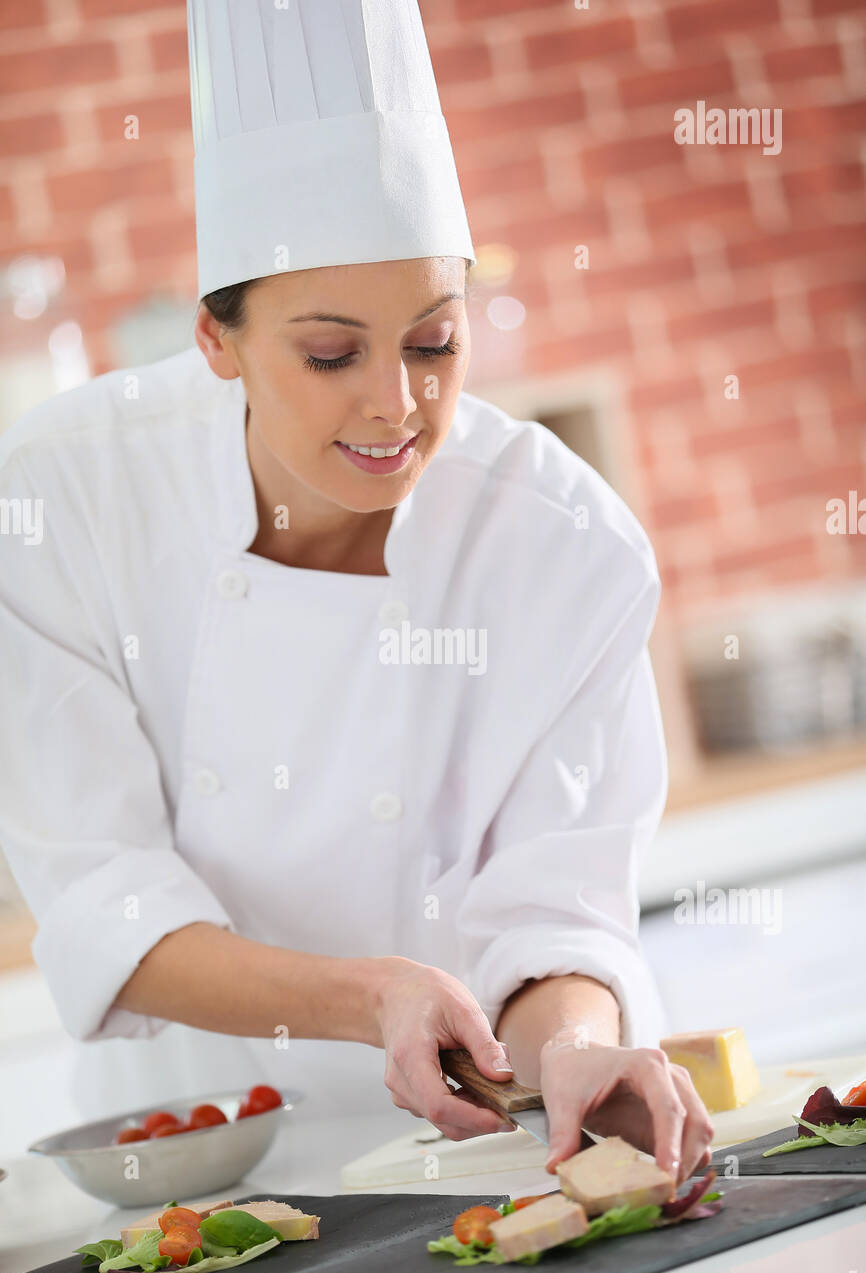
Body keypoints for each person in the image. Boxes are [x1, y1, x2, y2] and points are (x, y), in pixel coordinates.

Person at [0, 0, 712, 1181]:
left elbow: (554, 912)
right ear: (216, 342)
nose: (395, 404)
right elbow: (101, 897)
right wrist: (370, 993)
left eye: (434, 343)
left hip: (485, 1156)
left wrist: (576, 1049)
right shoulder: (61, 495)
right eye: (331, 354)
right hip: (192, 1167)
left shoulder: (560, 544)